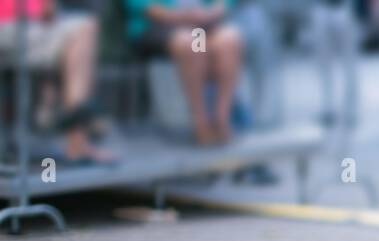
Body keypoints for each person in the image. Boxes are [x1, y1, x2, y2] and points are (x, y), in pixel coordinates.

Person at [0, 0, 114, 162]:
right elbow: (48, 11)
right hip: (15, 26)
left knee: (72, 42)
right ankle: (77, 133)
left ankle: (54, 112)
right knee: (85, 29)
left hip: (21, 30)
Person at [124, 0, 244, 145]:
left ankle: (222, 118)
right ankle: (201, 122)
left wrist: (211, 13)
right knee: (193, 44)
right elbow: (144, 7)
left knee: (229, 39)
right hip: (161, 25)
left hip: (201, 24)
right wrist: (184, 17)